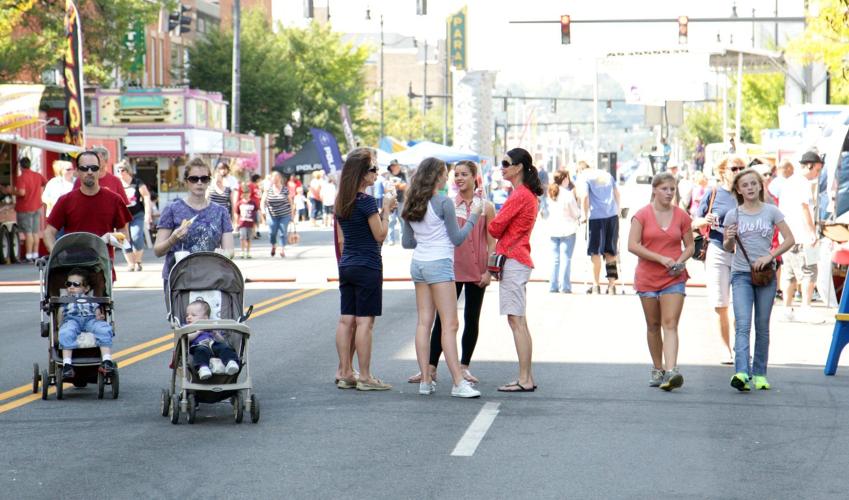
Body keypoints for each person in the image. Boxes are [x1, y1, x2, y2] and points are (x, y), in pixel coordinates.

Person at [408, 160, 496, 386]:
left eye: (463, 174)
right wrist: (472, 217)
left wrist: (489, 269)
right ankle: (435, 370)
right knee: (446, 323)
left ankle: (453, 371)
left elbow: (491, 240)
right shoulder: (447, 203)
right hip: (448, 268)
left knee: (466, 319)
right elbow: (457, 238)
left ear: (475, 177)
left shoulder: (485, 205)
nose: (456, 178)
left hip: (467, 268)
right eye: (454, 174)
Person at [723, 168, 795, 391]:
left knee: (762, 326)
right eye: (745, 185)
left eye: (753, 183)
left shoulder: (771, 211)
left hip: (766, 275)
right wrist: (728, 238)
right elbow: (729, 248)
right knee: (742, 324)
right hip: (741, 274)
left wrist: (770, 255)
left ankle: (760, 373)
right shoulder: (733, 215)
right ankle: (742, 372)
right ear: (738, 190)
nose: (750, 188)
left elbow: (790, 239)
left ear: (760, 186)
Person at [333, 148, 395, 392]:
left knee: (346, 320)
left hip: (347, 263)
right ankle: (366, 376)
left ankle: (346, 371)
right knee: (365, 323)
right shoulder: (367, 202)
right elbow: (379, 235)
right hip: (367, 264)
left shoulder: (341, 201)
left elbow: (341, 240)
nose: (377, 173)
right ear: (361, 173)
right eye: (373, 169)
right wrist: (387, 210)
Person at [627, 173, 695, 391]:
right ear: (655, 190)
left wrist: (681, 261)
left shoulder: (682, 216)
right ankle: (658, 369)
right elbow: (632, 245)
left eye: (672, 189)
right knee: (653, 325)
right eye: (665, 189)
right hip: (647, 277)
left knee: (670, 323)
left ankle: (672, 370)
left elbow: (691, 246)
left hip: (673, 278)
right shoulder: (642, 215)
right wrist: (661, 258)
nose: (669, 193)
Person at [488, 148, 544, 392]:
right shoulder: (526, 194)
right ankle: (525, 377)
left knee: (516, 321)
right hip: (518, 258)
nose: (502, 167)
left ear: (519, 167)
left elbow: (496, 228)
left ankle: (524, 379)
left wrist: (487, 212)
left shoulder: (520, 195)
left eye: (506, 163)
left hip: (514, 258)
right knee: (519, 320)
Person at [44, 151, 132, 280]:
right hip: (72, 269)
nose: (89, 172)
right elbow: (48, 232)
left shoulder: (114, 200)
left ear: (99, 170)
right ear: (77, 171)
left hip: (102, 268)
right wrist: (56, 256)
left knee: (101, 299)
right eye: (84, 168)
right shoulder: (66, 201)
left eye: (94, 168)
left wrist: (111, 238)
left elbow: (124, 234)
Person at [693, 155, 746, 365]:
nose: (739, 171)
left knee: (740, 304)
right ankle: (726, 349)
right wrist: (704, 220)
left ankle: (740, 347)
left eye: (743, 167)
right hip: (717, 250)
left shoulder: (749, 191)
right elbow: (694, 222)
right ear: (723, 171)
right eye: (734, 168)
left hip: (743, 254)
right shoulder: (713, 192)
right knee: (720, 303)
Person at [154, 157, 234, 289]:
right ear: (186, 181)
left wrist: (224, 254)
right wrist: (173, 239)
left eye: (204, 178)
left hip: (211, 279)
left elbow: (230, 250)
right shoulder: (172, 209)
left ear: (209, 181)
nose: (199, 182)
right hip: (178, 280)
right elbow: (157, 251)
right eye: (194, 179)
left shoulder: (221, 212)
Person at [777, 151, 825, 324]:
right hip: (801, 236)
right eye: (817, 170)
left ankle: (787, 308)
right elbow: (805, 209)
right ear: (810, 165)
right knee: (809, 272)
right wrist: (812, 233)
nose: (817, 174)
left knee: (789, 274)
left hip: (787, 236)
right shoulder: (803, 183)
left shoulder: (789, 182)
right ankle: (805, 307)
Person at [58, 268, 115, 378]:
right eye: (68, 284)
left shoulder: (91, 298)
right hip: (72, 319)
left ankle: (107, 360)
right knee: (66, 332)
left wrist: (99, 316)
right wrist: (59, 325)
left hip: (90, 319)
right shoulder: (65, 299)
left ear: (86, 288)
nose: (71, 287)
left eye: (76, 284)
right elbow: (60, 312)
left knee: (103, 328)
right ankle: (67, 364)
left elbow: (97, 310)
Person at [580, 161, 621, 294]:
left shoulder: (586, 178)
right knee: (611, 251)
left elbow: (585, 197)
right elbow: (617, 194)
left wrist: (584, 215)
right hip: (612, 216)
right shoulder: (608, 175)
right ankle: (611, 286)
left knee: (595, 252)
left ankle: (596, 285)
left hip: (596, 217)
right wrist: (618, 210)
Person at [184, 298, 240, 380]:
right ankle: (203, 368)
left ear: (205, 318)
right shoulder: (187, 327)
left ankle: (231, 362)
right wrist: (198, 332)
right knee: (201, 351)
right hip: (199, 345)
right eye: (187, 315)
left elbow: (222, 341)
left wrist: (216, 333)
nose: (189, 317)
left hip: (213, 344)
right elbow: (186, 338)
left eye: (193, 315)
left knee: (224, 347)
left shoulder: (210, 325)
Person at [5, 157, 47, 262]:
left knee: (28, 233)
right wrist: (40, 194)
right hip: (37, 206)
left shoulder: (21, 177)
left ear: (21, 166)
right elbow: (45, 182)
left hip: (25, 208)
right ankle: (35, 255)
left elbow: (22, 192)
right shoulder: (37, 175)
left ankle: (28, 256)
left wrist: (11, 191)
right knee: (35, 232)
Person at [116, 161, 152, 272]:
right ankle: (131, 264)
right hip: (122, 216)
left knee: (136, 236)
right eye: (118, 170)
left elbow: (146, 196)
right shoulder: (117, 183)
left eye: (122, 170)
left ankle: (138, 261)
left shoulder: (137, 182)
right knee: (123, 239)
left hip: (137, 214)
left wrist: (148, 214)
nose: (120, 172)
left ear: (128, 171)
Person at [547, 170, 580, 293]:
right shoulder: (568, 194)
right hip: (567, 230)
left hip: (553, 229)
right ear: (565, 179)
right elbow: (576, 213)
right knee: (566, 258)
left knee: (555, 259)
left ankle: (553, 285)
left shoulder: (551, 193)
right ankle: (565, 286)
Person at [260, 171, 293, 258]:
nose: (275, 180)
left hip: (284, 214)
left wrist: (292, 214)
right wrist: (263, 210)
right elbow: (262, 201)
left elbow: (291, 202)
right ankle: (274, 245)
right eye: (274, 178)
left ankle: (282, 249)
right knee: (272, 232)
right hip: (272, 215)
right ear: (271, 179)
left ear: (280, 179)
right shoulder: (268, 190)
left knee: (283, 232)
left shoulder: (285, 189)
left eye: (277, 178)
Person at [208, 161, 239, 229]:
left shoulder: (232, 179)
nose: (222, 171)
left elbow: (234, 194)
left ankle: (234, 223)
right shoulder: (215, 179)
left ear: (227, 169)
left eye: (224, 168)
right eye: (220, 169)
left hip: (228, 201)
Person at [386, 160, 408, 245]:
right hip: (390, 200)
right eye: (394, 165)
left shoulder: (403, 175)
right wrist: (398, 185)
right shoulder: (388, 175)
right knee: (391, 220)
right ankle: (391, 239)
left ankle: (403, 239)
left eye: (396, 165)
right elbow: (386, 188)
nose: (396, 167)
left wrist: (394, 186)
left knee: (402, 219)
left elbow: (404, 186)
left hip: (401, 200)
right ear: (391, 167)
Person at [237, 184, 256, 259]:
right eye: (244, 193)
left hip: (250, 223)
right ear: (242, 194)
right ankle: (242, 251)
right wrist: (236, 223)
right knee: (242, 237)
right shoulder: (239, 203)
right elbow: (237, 214)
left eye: (248, 193)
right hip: (242, 223)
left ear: (250, 194)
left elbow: (255, 213)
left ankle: (248, 252)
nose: (246, 194)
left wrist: (256, 224)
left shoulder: (253, 203)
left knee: (249, 239)